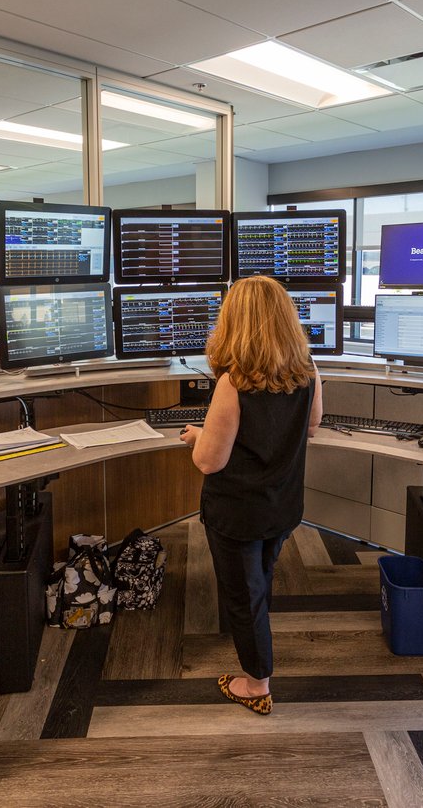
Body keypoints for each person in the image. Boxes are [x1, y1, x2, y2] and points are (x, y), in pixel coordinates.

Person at [179, 275, 323, 715]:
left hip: (238, 513)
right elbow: (311, 426)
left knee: (243, 596)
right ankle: (257, 642)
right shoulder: (309, 371)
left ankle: (256, 683)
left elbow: (209, 461)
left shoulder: (233, 383)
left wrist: (195, 437)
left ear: (235, 323)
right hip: (281, 506)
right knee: (257, 581)